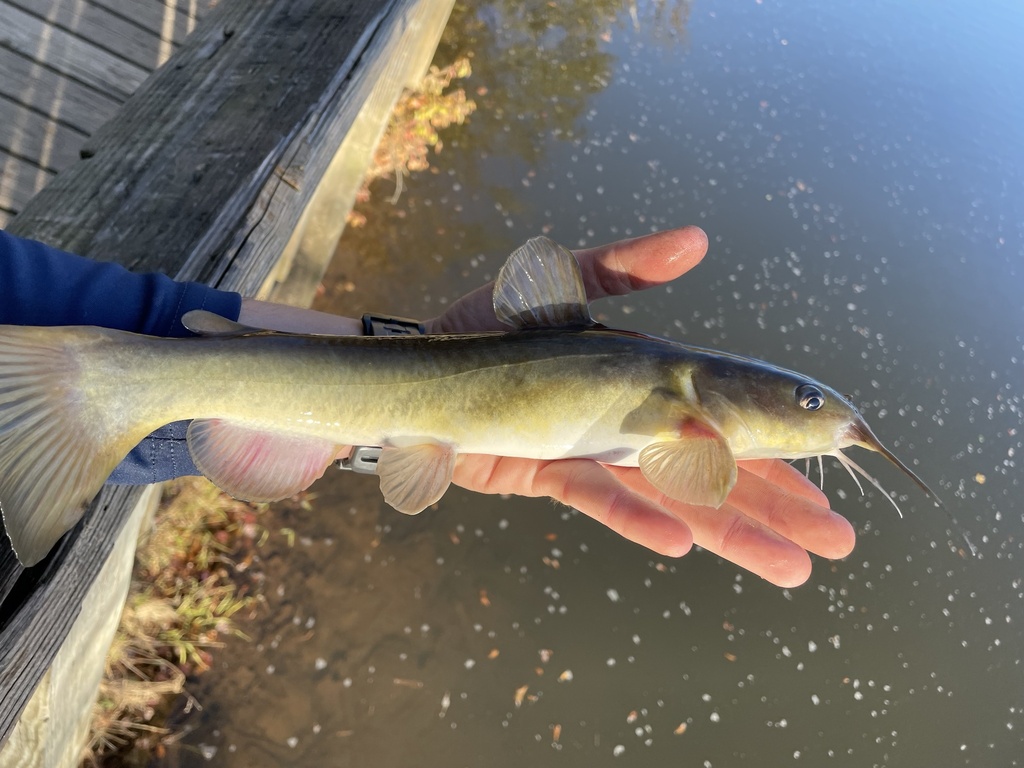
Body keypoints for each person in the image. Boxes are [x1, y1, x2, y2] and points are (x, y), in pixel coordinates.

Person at [0, 227, 854, 586]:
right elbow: (697, 485)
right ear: (718, 397)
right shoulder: (681, 401)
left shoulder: (676, 393)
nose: (823, 418)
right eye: (808, 402)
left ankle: (112, 382)